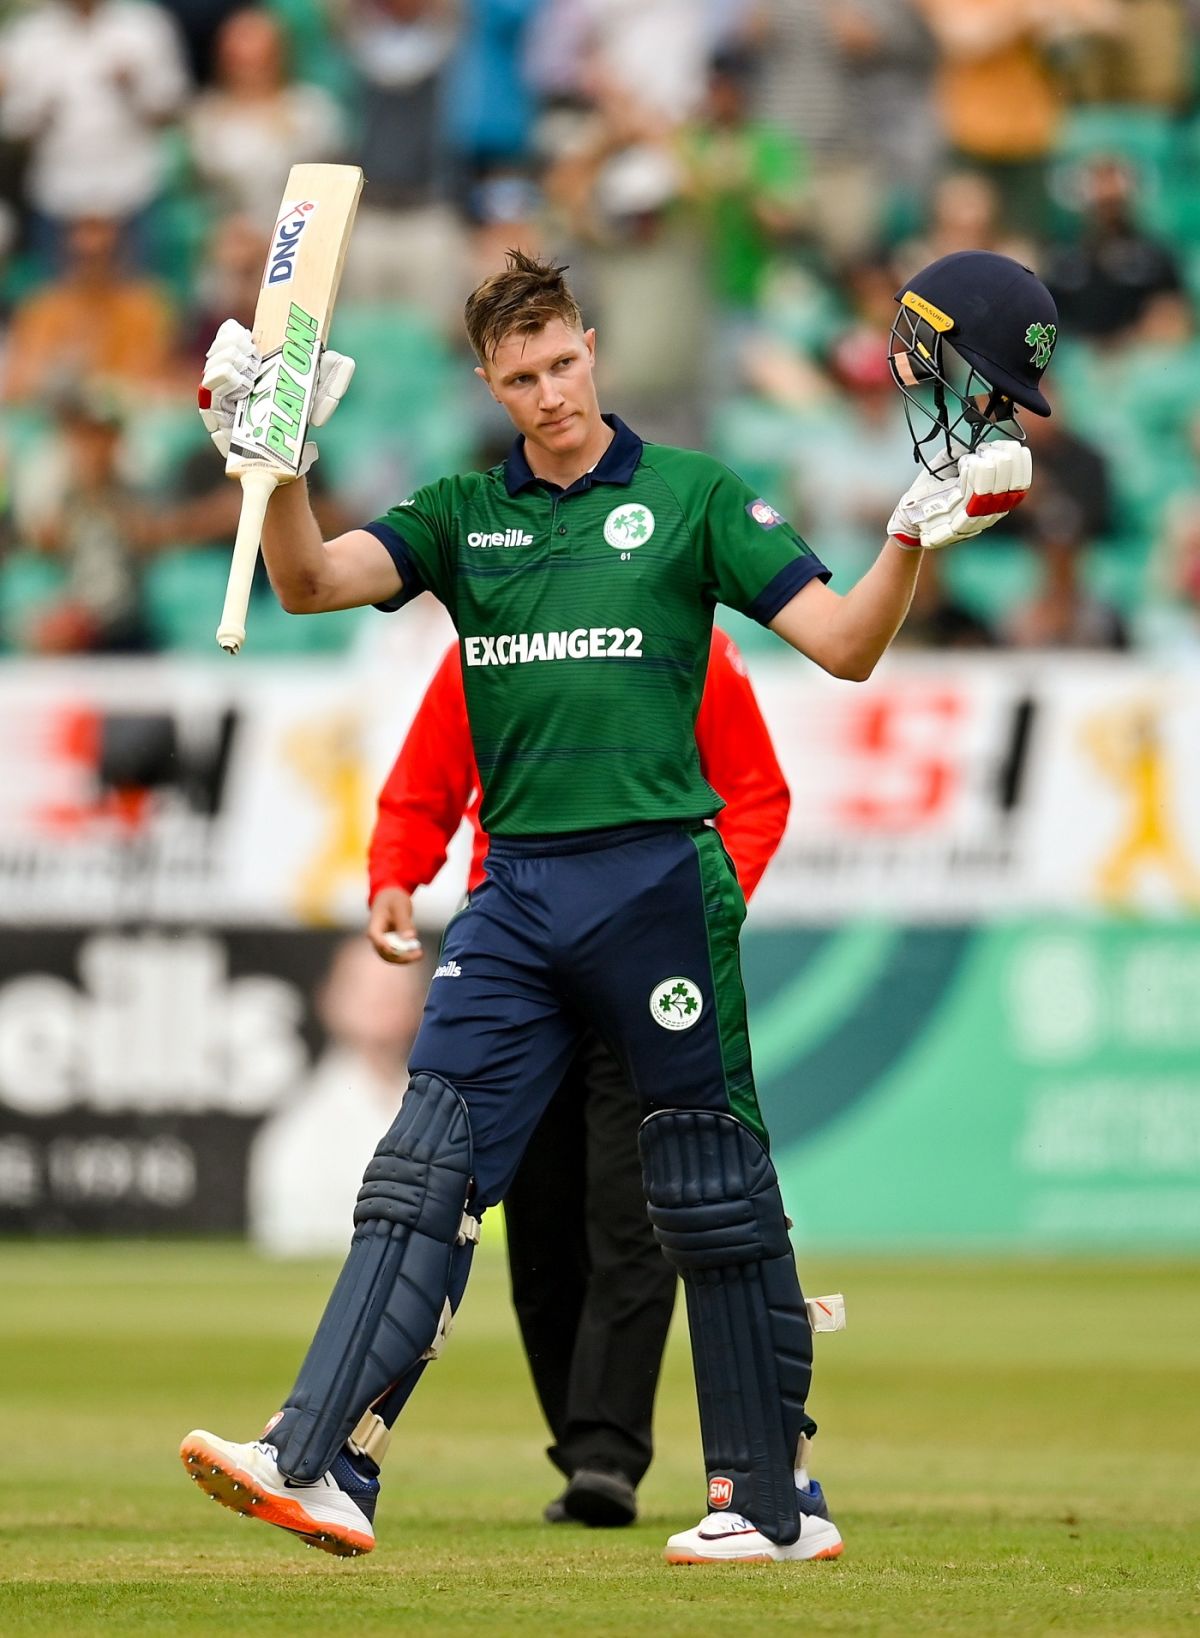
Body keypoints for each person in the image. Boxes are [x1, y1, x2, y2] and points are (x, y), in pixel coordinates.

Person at [180, 246, 1049, 1565]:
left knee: (706, 1190)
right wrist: (277, 460)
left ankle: (766, 1500)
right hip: (515, 897)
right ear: (490, 380)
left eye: (564, 362)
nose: (550, 394)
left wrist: (908, 538)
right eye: (520, 376)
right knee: (421, 1171)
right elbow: (304, 581)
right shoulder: (464, 512)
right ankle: (317, 1460)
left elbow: (847, 644)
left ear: (594, 344)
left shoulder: (695, 495)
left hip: (656, 882)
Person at [365, 627, 791, 1526]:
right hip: (514, 957)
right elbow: (425, 785)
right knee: (541, 1216)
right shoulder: (488, 645)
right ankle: (584, 1442)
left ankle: (604, 1455)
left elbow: (755, 795)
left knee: (635, 1205)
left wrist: (702, 910)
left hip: (644, 952)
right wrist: (395, 875)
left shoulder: (690, 643)